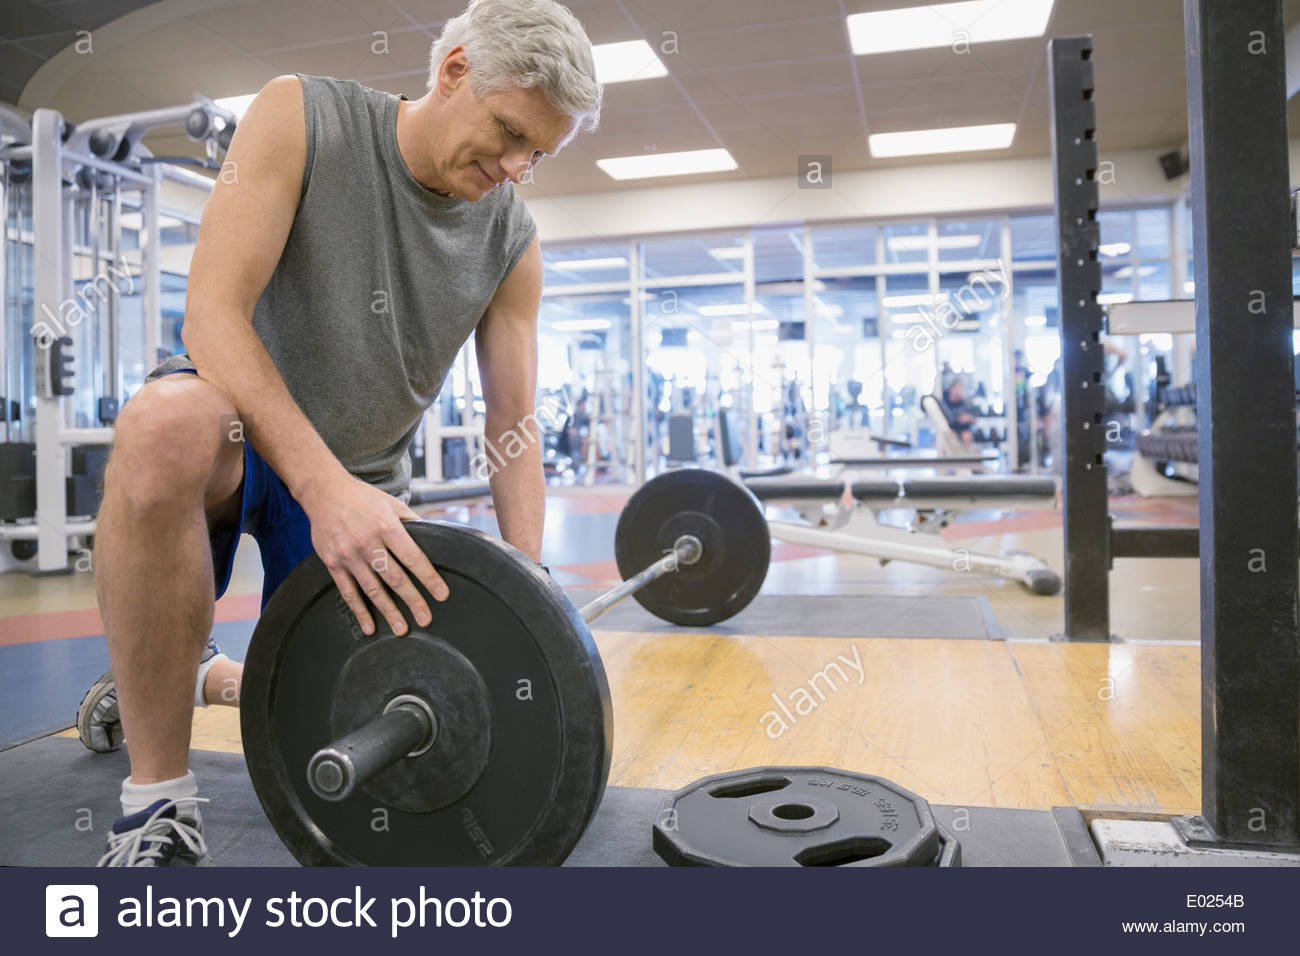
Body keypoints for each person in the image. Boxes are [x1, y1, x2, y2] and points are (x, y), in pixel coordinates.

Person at [79, 0, 603, 867]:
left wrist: (531, 597)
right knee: (162, 423)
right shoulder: (302, 116)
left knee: (373, 717)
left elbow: (512, 424)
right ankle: (158, 804)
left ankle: (186, 678)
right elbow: (210, 319)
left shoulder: (511, 239)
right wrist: (320, 489)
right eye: (509, 132)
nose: (515, 167)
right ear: (455, 70)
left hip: (365, 482)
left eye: (537, 154)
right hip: (238, 441)